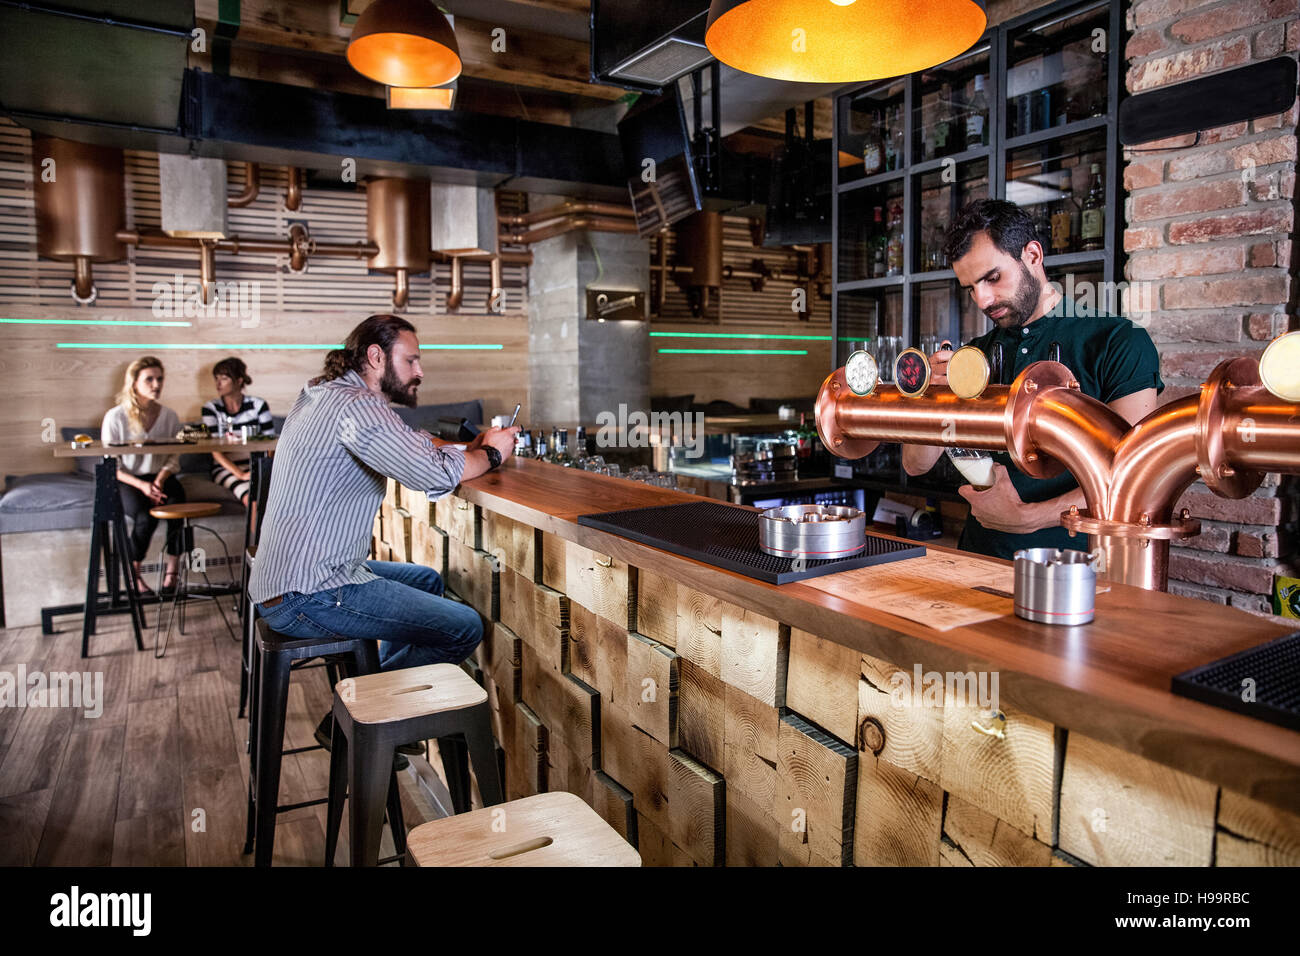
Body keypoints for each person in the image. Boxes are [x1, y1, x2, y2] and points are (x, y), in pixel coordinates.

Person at [247, 314, 518, 749]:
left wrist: (467, 448)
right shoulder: (360, 405)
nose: (419, 372)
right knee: (463, 627)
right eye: (411, 361)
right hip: (310, 590)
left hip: (282, 579)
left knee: (427, 581)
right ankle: (353, 722)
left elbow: (406, 443)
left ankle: (377, 709)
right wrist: (491, 454)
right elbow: (429, 473)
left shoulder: (323, 394)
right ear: (376, 356)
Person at [902, 199, 1163, 559]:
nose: (983, 299)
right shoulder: (973, 357)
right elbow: (915, 465)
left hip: (1077, 570)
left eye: (992, 278)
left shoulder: (1118, 341)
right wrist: (933, 395)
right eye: (970, 288)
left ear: (1033, 256)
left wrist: (1027, 518)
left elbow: (1136, 476)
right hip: (978, 562)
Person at [101, 356, 189, 594]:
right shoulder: (115, 417)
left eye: (160, 379)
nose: (156, 384)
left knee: (177, 506)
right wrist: (142, 486)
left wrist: (158, 481)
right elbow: (112, 464)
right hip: (128, 479)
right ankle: (134, 575)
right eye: (149, 379)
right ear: (134, 382)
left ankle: (173, 571)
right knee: (144, 516)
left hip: (160, 477)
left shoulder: (169, 416)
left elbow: (174, 456)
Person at [201, 357, 273, 507]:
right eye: (216, 378)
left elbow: (271, 443)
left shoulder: (258, 405)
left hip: (256, 464)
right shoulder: (211, 408)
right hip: (226, 468)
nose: (218, 383)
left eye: (224, 378)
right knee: (253, 499)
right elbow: (214, 450)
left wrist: (265, 470)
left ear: (239, 380)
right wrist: (240, 474)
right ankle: (256, 532)